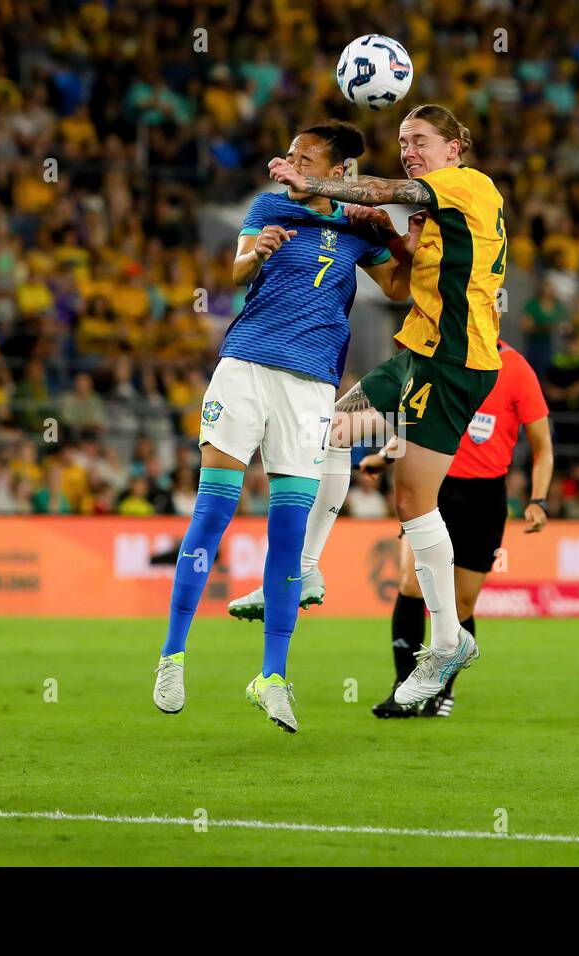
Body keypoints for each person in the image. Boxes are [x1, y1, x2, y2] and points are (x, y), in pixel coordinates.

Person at [153, 121, 414, 733]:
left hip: (311, 386)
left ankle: (271, 676)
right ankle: (172, 653)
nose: (286, 163)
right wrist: (255, 254)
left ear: (336, 171)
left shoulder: (356, 224)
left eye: (304, 157)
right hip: (244, 367)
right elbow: (235, 274)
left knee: (289, 529)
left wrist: (401, 240)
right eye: (289, 153)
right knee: (212, 511)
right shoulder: (271, 207)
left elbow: (401, 287)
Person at [266, 103, 506, 705]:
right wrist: (389, 237)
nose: (409, 149)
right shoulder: (434, 211)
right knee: (332, 430)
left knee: (411, 498)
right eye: (402, 140)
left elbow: (388, 187)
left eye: (421, 140)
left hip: (454, 363)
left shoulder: (466, 185)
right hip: (419, 351)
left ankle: (449, 639)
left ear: (454, 147)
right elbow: (406, 280)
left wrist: (316, 184)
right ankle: (310, 565)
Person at [230, 341, 553, 719]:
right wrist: (385, 456)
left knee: (462, 602)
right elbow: (418, 417)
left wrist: (538, 499)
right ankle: (403, 687)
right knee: (409, 584)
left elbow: (542, 445)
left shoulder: (514, 369)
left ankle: (440, 690)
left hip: (482, 497)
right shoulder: (433, 350)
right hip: (434, 484)